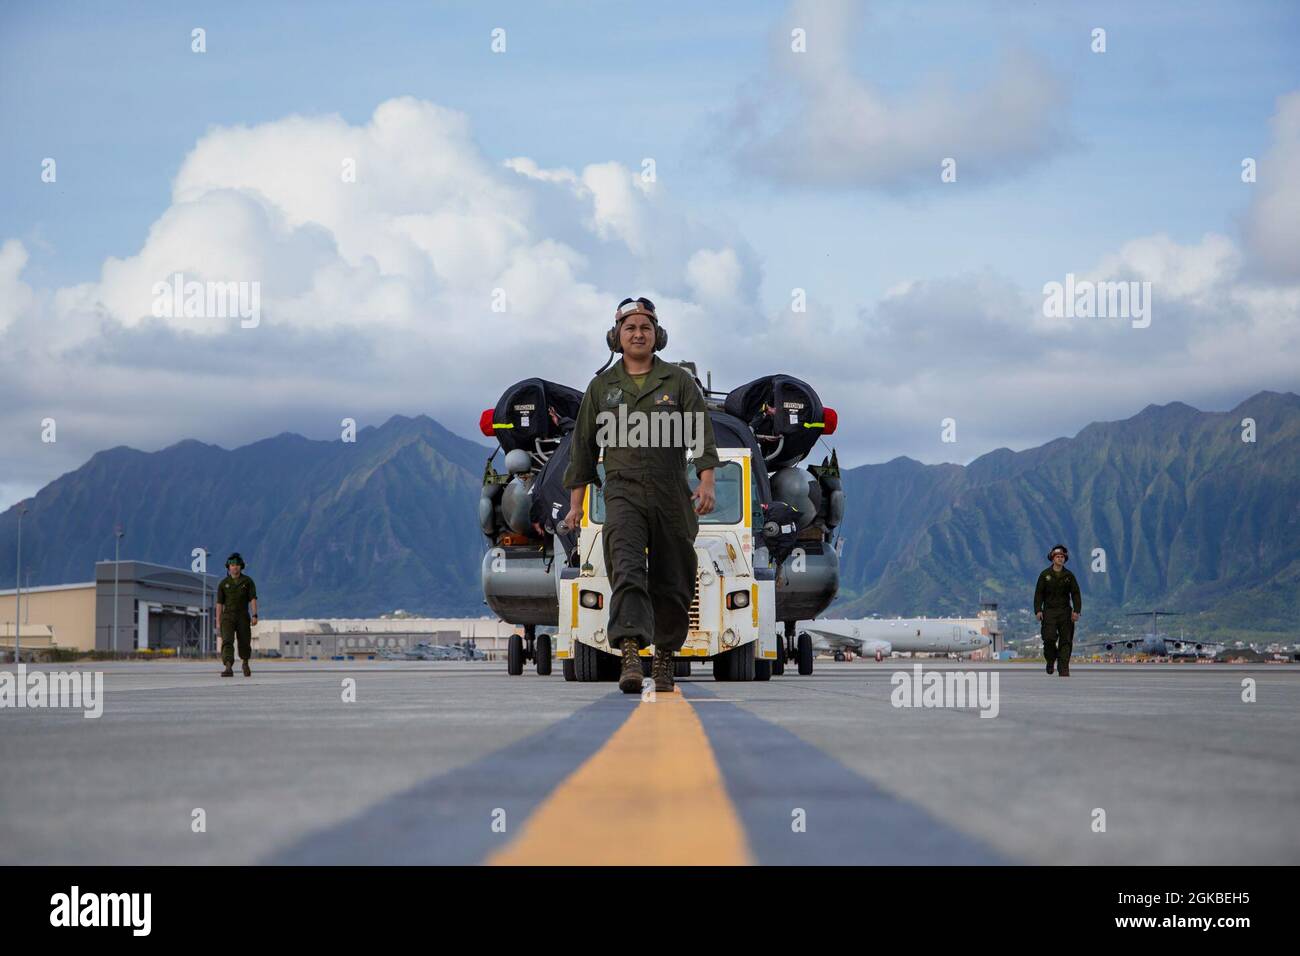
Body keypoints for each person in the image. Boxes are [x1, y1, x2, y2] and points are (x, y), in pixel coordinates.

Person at [561, 296, 719, 694]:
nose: (638, 334)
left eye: (645, 328)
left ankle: (664, 658)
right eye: (630, 328)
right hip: (623, 493)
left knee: (674, 579)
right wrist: (577, 507)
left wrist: (707, 482)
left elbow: (701, 434)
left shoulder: (678, 382)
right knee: (627, 570)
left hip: (671, 494)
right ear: (617, 337)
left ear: (657, 336)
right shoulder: (602, 388)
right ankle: (631, 653)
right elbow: (582, 449)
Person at [1034, 544, 1081, 677]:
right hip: (1049, 612)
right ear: (1052, 558)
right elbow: (1038, 594)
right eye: (1058, 557)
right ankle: (1050, 659)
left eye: (1062, 557)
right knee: (1049, 638)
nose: (1060, 559)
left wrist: (1076, 611)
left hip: (1065, 612)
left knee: (1066, 641)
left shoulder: (1069, 576)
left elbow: (1076, 594)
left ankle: (1063, 668)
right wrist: (1038, 610)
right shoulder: (1045, 575)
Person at [216, 552, 258, 677]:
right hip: (227, 616)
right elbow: (219, 604)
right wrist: (218, 623)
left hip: (243, 615)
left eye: (237, 564)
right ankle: (228, 666)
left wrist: (255, 615)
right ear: (228, 567)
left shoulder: (248, 581)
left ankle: (245, 663)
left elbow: (253, 599)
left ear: (241, 566)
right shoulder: (223, 584)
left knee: (245, 641)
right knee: (227, 641)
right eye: (232, 565)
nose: (235, 567)